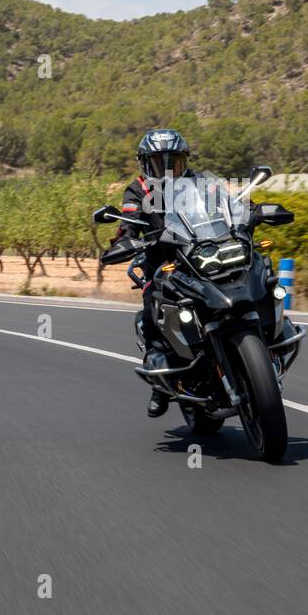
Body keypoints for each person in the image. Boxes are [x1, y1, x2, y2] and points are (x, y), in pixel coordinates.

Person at [112, 129, 195, 418]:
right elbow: (129, 221)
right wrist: (126, 238)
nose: (168, 169)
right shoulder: (138, 190)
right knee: (152, 310)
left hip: (201, 255)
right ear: (146, 165)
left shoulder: (200, 184)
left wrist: (251, 211)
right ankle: (161, 383)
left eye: (174, 161)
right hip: (163, 262)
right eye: (160, 162)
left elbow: (228, 205)